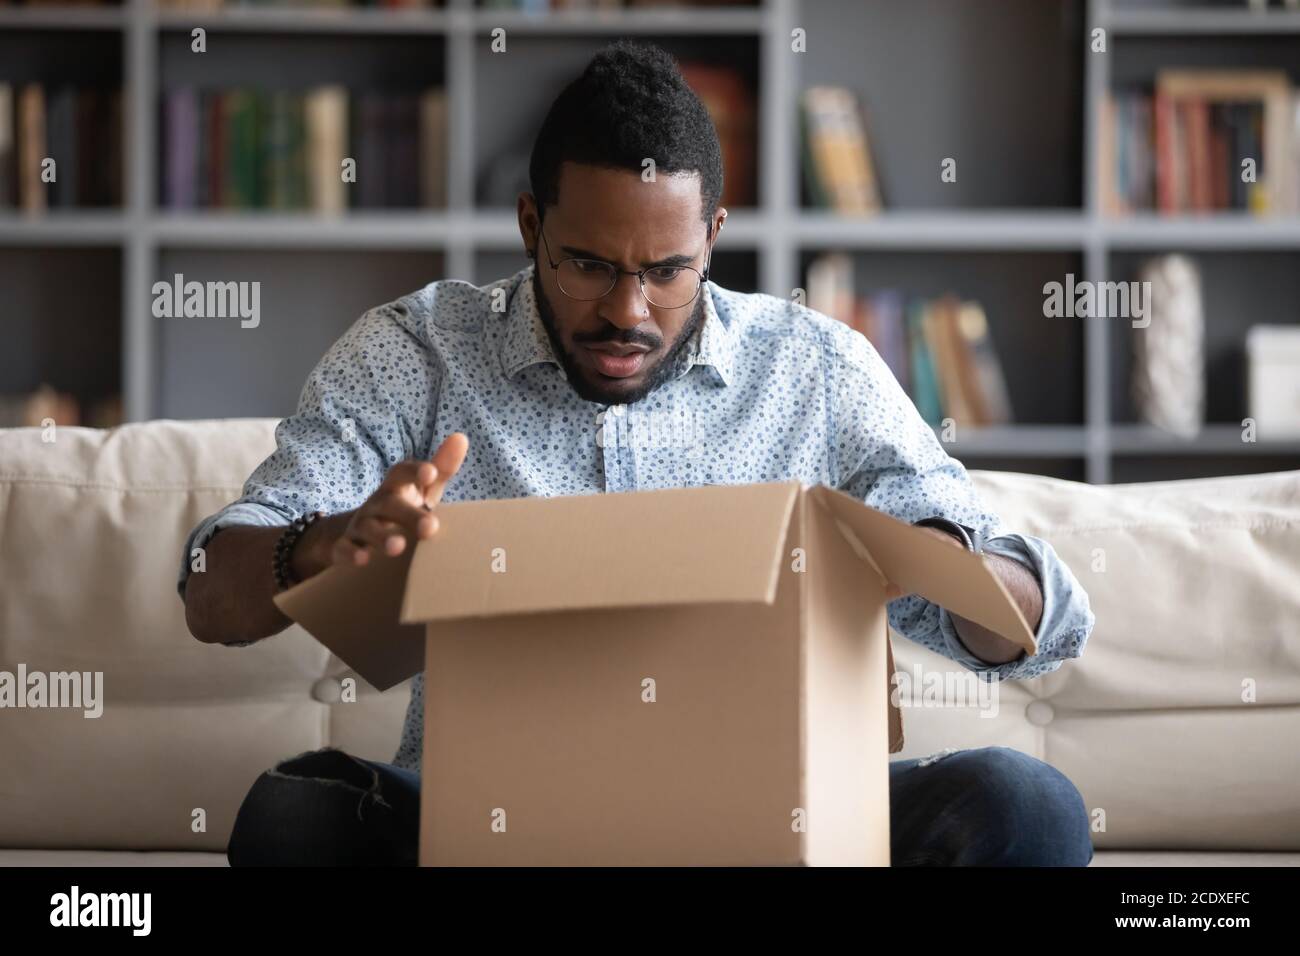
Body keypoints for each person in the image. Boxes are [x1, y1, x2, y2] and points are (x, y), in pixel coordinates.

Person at [180, 40, 1096, 867]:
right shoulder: (413, 352)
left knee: (1026, 808)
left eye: (667, 272)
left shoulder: (815, 368)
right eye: (589, 265)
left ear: (713, 237)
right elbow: (215, 599)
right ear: (531, 226)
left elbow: (1034, 630)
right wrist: (325, 548)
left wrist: (952, 565)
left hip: (780, 820)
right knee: (292, 818)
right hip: (496, 826)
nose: (629, 312)